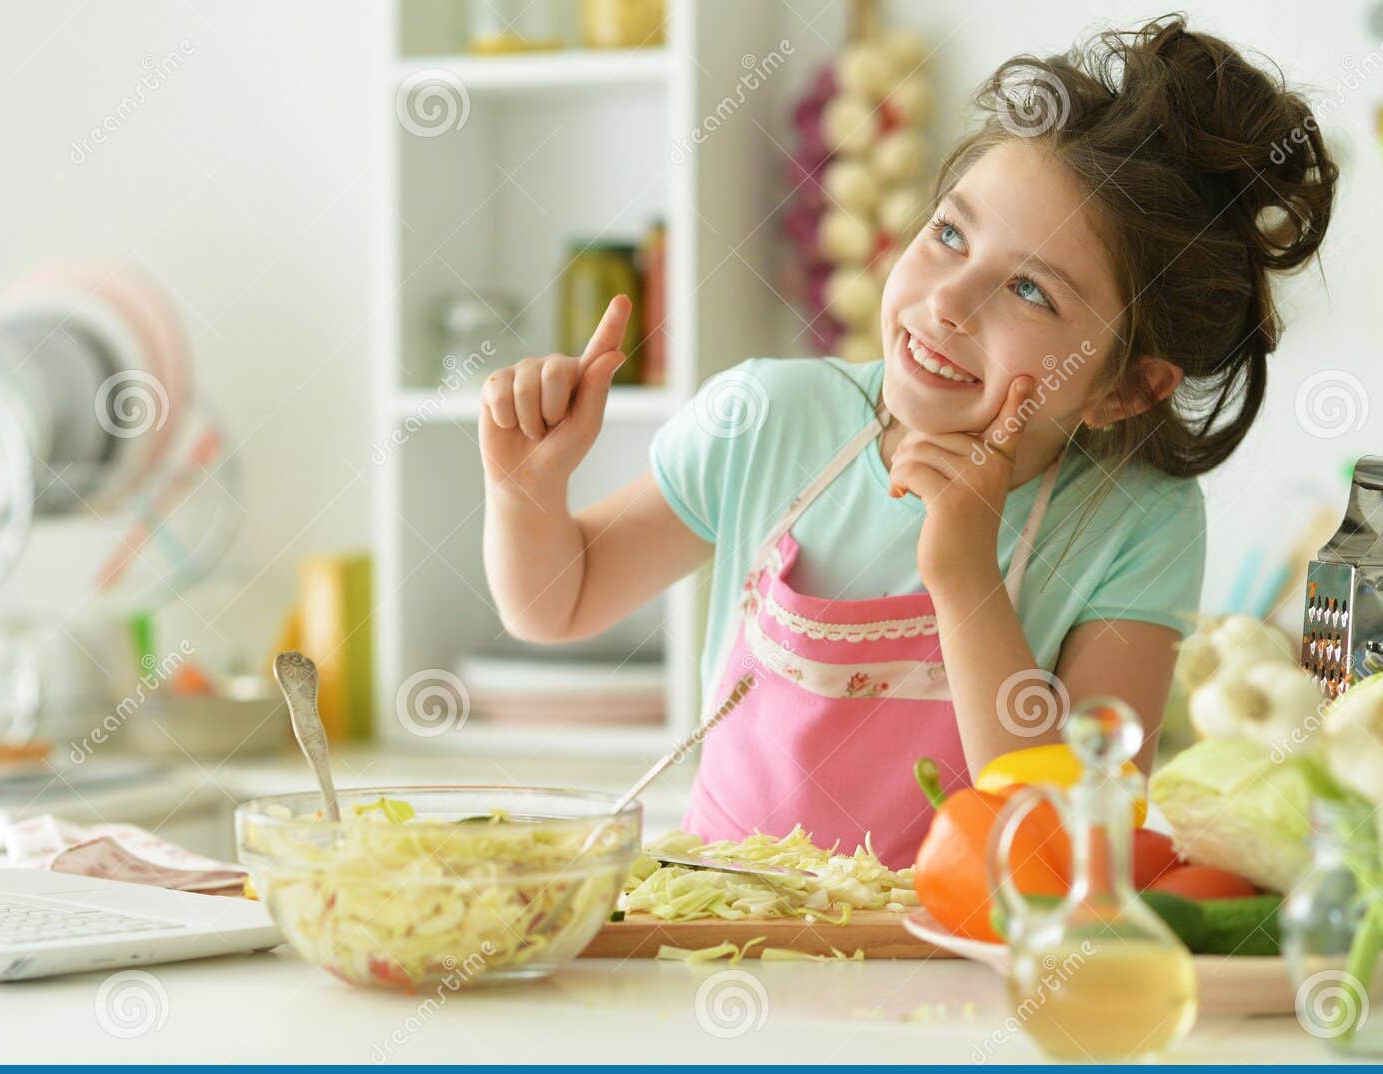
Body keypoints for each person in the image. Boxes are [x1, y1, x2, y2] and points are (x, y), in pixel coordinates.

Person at [478, 15, 1338, 867]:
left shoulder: (1137, 519)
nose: (949, 302)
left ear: (1124, 387)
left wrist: (965, 573)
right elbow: (557, 600)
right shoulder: (768, 419)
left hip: (947, 983)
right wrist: (524, 490)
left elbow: (1077, 839)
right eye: (951, 235)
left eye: (1032, 292)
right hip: (717, 930)